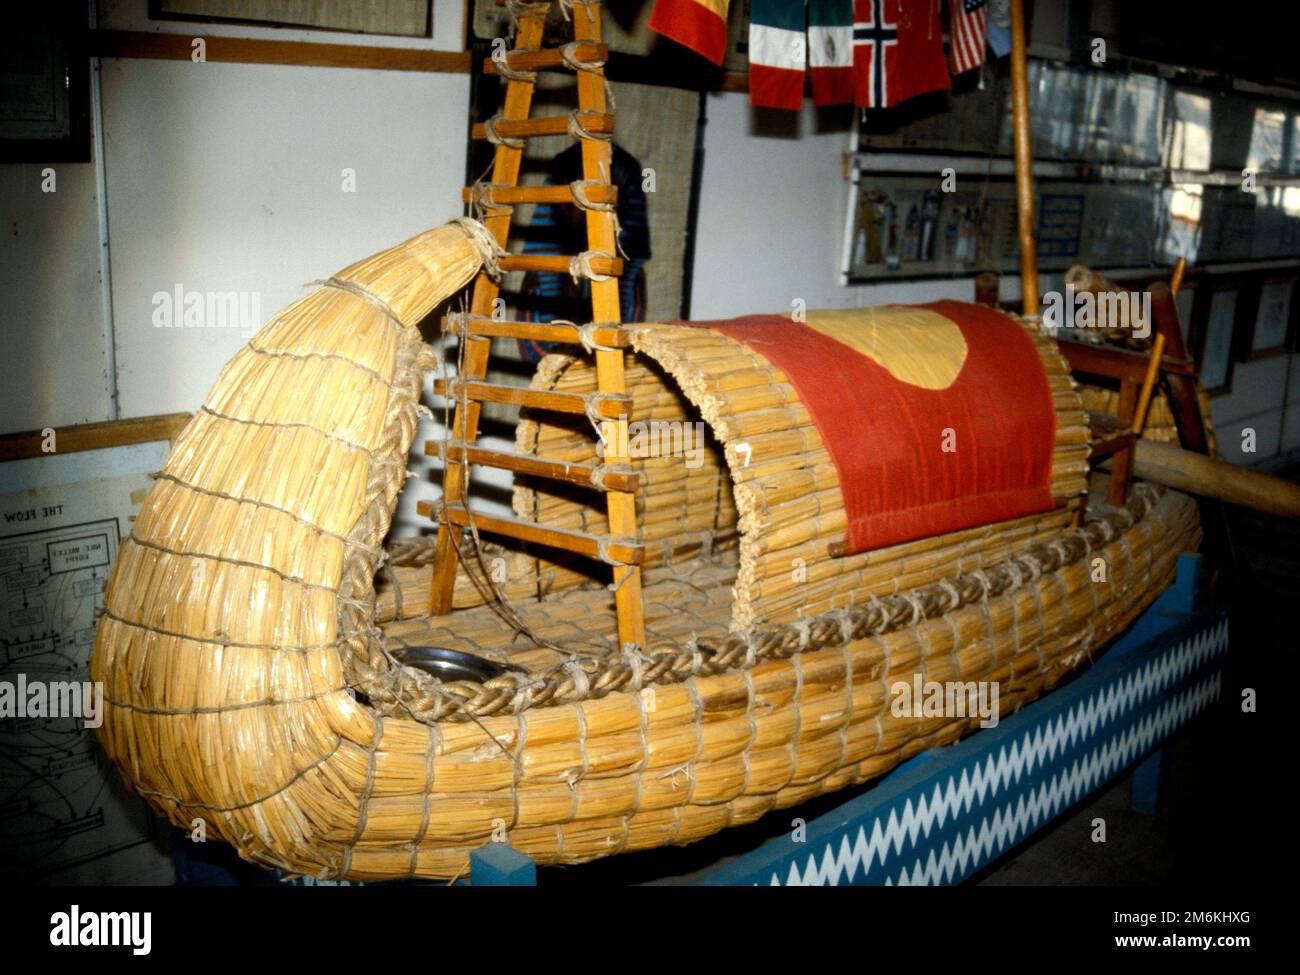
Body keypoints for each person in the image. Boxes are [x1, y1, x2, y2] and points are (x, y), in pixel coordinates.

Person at [516, 142, 651, 363]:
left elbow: (628, 346)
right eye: (578, 200)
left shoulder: (632, 282)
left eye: (611, 201)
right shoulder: (540, 278)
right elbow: (534, 349)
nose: (593, 212)